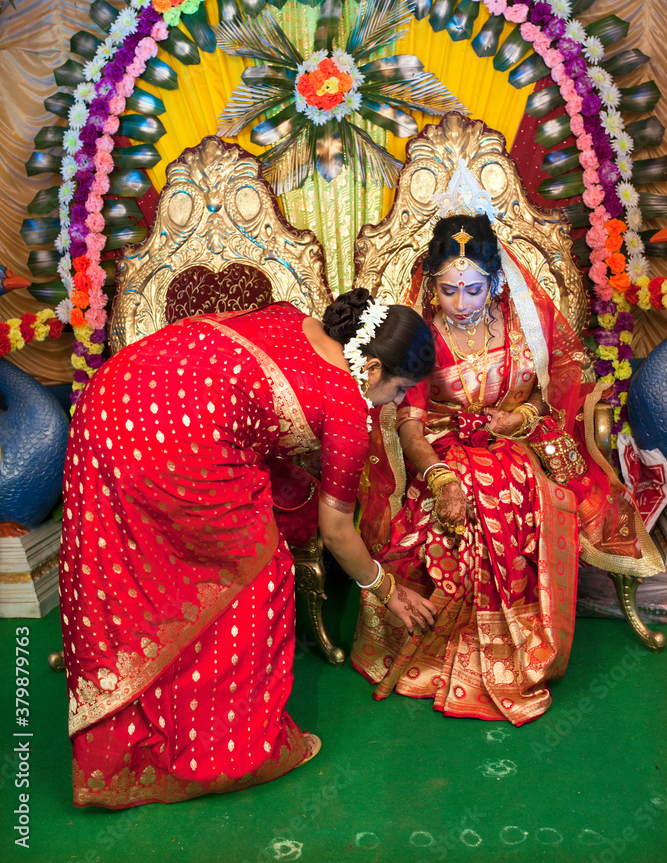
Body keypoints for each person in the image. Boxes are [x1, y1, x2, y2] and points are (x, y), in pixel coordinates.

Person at [59, 293, 437, 808]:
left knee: (142, 562)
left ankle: (130, 682)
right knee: (261, 573)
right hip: (168, 445)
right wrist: (384, 587)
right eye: (398, 389)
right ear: (371, 367)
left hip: (110, 402)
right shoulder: (348, 402)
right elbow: (338, 532)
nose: (394, 403)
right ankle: (225, 752)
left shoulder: (292, 317)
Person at [352, 162, 663, 726]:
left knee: (529, 491)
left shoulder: (525, 319)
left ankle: (520, 646)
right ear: (431, 283)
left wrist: (520, 416)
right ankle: (458, 648)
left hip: (517, 440)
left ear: (497, 282)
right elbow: (410, 427)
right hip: (446, 451)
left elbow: (553, 390)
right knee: (471, 499)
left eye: (474, 288)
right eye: (448, 290)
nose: (462, 302)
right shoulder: (421, 335)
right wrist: (440, 477)